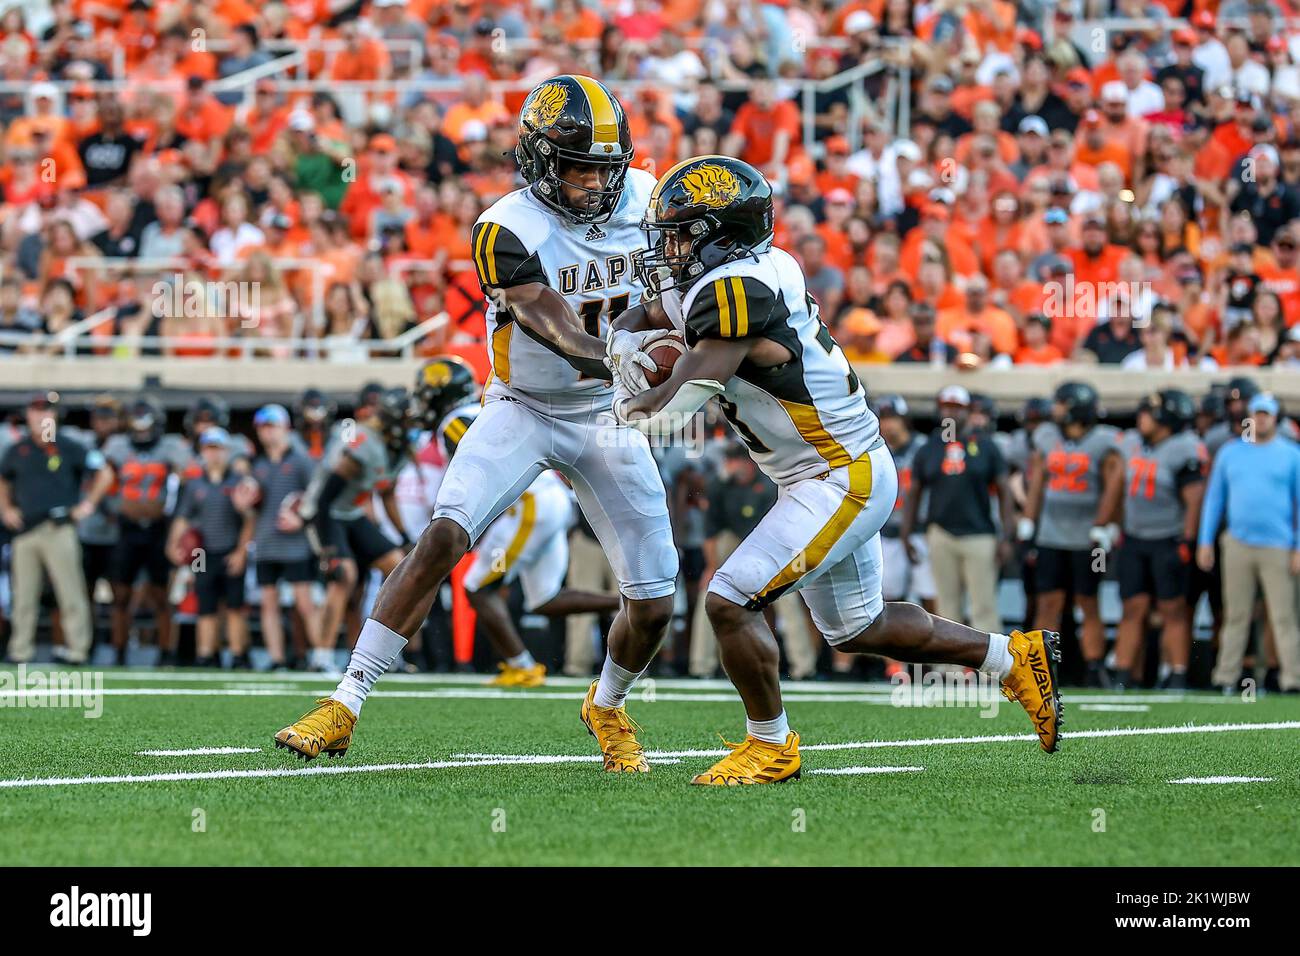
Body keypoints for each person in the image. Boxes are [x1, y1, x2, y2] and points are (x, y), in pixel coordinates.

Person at [614, 156, 1061, 785]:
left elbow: (679, 406)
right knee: (858, 626)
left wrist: (624, 399)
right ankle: (1011, 657)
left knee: (729, 599)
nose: (669, 246)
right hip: (830, 472)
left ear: (722, 235)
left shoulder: (738, 291)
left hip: (836, 474)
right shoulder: (734, 277)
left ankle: (771, 745)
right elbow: (653, 314)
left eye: (683, 232)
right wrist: (623, 337)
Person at [275, 77, 678, 772]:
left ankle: (607, 705)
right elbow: (544, 316)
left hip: (606, 417)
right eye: (577, 166)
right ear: (540, 161)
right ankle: (344, 702)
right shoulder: (505, 226)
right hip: (524, 404)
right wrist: (617, 355)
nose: (592, 184)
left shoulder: (650, 202)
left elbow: (685, 293)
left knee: (655, 600)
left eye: (604, 169)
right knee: (442, 534)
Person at [434, 402, 621, 686]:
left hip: (529, 506)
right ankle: (627, 603)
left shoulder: (456, 420)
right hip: (550, 501)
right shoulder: (490, 407)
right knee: (544, 598)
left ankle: (522, 665)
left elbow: (478, 470)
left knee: (477, 587)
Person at [297, 388, 413, 672]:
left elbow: (386, 494)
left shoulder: (398, 448)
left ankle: (386, 652)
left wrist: (403, 535)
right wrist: (329, 549)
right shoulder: (365, 442)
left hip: (351, 513)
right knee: (344, 576)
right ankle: (321, 656)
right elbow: (325, 497)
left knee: (399, 569)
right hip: (325, 513)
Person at [1020, 382, 1124, 687]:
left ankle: (1093, 668)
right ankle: (1039, 668)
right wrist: (1029, 520)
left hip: (1086, 538)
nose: (1056, 409)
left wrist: (1104, 524)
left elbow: (1113, 485)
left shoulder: (1103, 442)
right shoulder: (1047, 437)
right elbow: (1038, 480)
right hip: (1051, 535)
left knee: (1087, 602)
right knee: (1048, 603)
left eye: (1062, 403)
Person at [1197, 392, 1300, 692]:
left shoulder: (1291, 454)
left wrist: (1298, 546)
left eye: (1267, 414)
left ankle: (1292, 678)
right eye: (1257, 413)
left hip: (1278, 545)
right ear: (1250, 417)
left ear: (1275, 418)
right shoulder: (1231, 452)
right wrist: (1205, 541)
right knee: (1235, 614)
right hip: (1238, 543)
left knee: (1283, 616)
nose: (1262, 419)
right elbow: (1214, 499)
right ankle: (1225, 677)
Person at [0, 392, 111, 664]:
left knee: (70, 592)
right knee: (24, 595)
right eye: (37, 411)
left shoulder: (70, 446)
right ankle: (20, 650)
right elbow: (3, 480)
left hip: (58, 528)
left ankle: (77, 650)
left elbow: (105, 473)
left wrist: (88, 505)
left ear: (55, 416)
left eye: (47, 411)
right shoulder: (18, 449)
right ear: (28, 415)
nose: (41, 416)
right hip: (25, 530)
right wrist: (6, 509)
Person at [903, 385, 1016, 638]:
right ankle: (948, 669)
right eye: (946, 406)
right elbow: (914, 492)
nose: (950, 412)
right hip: (941, 532)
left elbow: (1005, 492)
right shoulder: (929, 447)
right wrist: (906, 533)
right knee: (946, 606)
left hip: (979, 533)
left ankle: (990, 671)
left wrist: (1007, 536)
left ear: (967, 410)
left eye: (956, 407)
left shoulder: (986, 445)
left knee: (983, 605)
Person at [1114, 389, 1206, 690]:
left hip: (1168, 538)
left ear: (1166, 417)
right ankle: (1124, 674)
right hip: (1134, 538)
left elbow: (1194, 500)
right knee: (1133, 607)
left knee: (1172, 609)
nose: (1141, 419)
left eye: (1148, 413)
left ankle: (1177, 674)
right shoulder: (1132, 444)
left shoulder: (1184, 448)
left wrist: (1188, 541)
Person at [102, 396, 190, 666]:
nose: (141, 428)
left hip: (157, 529)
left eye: (145, 421)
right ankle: (119, 651)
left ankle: (166, 652)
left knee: (160, 594)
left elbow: (188, 474)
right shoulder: (116, 446)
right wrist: (112, 508)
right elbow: (101, 479)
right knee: (121, 595)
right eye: (136, 421)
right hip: (127, 529)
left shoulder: (171, 446)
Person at [167, 428, 254, 668]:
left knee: (235, 606)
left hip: (230, 548)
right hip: (203, 552)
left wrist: (241, 551)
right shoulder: (195, 484)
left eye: (217, 448)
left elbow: (249, 519)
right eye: (209, 448)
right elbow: (183, 518)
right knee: (205, 604)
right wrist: (173, 544)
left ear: (225, 451)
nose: (213, 454)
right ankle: (206, 653)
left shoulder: (238, 482)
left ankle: (237, 653)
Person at [248, 404, 318, 671]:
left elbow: (315, 496)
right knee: (268, 602)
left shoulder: (300, 459)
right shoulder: (259, 464)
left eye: (272, 426)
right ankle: (276, 659)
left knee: (304, 602)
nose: (267, 433)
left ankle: (319, 656)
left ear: (285, 428)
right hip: (266, 541)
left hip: (296, 544)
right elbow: (254, 504)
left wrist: (300, 519)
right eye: (263, 428)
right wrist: (245, 502)